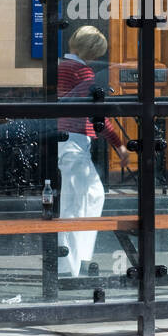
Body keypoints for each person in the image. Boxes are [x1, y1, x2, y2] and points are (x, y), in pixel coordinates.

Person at [56, 25, 129, 277]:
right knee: (91, 195)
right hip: (75, 140)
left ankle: (67, 262)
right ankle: (78, 261)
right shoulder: (83, 72)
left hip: (61, 139)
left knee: (71, 203)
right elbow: (98, 114)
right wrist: (118, 143)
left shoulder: (58, 67)